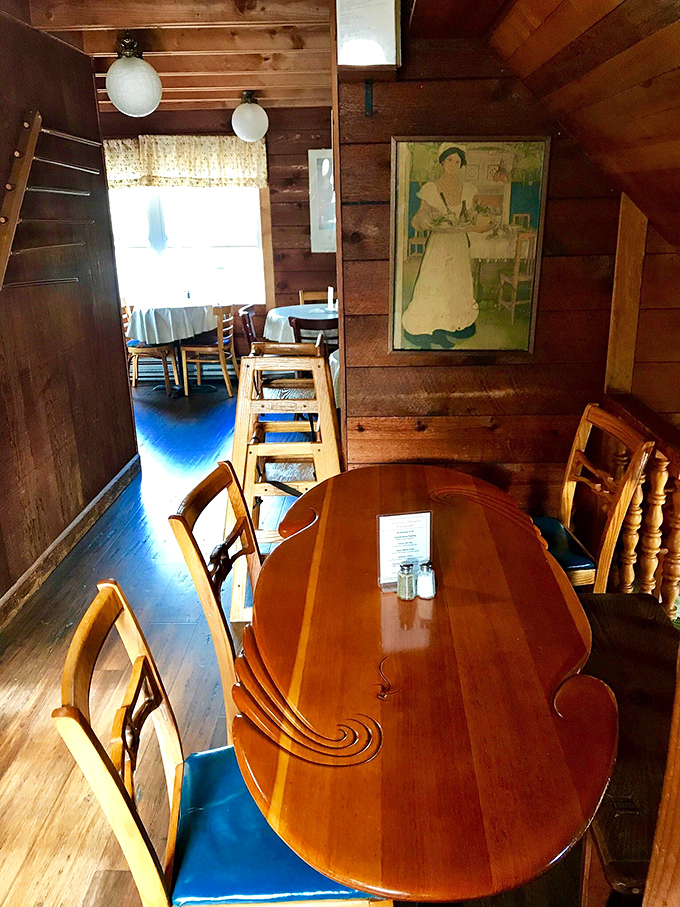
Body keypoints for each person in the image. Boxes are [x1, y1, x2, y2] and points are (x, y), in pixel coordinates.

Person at [402, 146, 491, 349]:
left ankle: (446, 328)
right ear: (442, 162)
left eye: (457, 161)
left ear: (461, 164)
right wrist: (426, 221)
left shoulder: (468, 189)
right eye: (449, 160)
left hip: (459, 244)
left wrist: (482, 219)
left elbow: (473, 215)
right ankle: (427, 330)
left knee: (456, 284)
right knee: (434, 284)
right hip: (439, 244)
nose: (453, 165)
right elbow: (419, 216)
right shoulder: (431, 188)